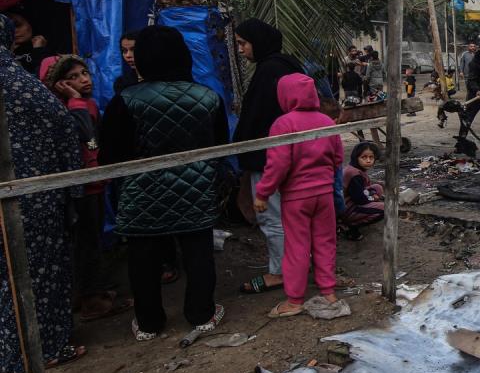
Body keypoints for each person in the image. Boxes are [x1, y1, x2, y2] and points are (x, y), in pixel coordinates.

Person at [99, 25, 228, 341]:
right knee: (198, 253)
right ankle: (201, 314)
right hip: (196, 192)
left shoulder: (125, 101)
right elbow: (222, 146)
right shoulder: (208, 98)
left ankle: (148, 323)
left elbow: (111, 153)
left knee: (143, 258)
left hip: (142, 195)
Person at [0, 17, 83, 373]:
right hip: (28, 194)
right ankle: (40, 349)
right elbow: (62, 125)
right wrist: (73, 186)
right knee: (35, 273)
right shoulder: (16, 81)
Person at [252, 73, 343, 318]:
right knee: (325, 242)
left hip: (295, 197)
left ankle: (294, 300)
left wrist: (263, 193)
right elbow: (337, 158)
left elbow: (277, 165)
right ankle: (328, 293)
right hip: (323, 194)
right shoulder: (327, 121)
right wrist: (322, 177)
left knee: (297, 248)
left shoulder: (283, 124)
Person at [42, 55, 124, 320]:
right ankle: (92, 301)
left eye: (84, 73)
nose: (84, 79)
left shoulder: (87, 104)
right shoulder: (63, 110)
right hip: (80, 188)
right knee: (85, 243)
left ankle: (89, 292)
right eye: (73, 78)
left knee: (91, 239)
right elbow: (85, 135)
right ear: (57, 85)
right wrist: (76, 101)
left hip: (94, 183)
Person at [232, 18, 304, 295]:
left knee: (273, 218)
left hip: (270, 160)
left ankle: (280, 272)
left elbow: (258, 119)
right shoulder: (288, 65)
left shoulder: (269, 71)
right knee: (291, 216)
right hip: (291, 158)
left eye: (243, 43)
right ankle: (296, 263)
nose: (240, 49)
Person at [341, 141, 385, 229]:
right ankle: (349, 226)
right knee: (385, 208)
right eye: (364, 157)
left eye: (371, 157)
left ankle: (369, 208)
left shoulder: (355, 169)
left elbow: (362, 190)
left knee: (378, 187)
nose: (368, 161)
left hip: (353, 199)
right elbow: (360, 199)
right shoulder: (354, 174)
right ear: (356, 158)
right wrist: (372, 198)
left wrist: (372, 194)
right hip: (347, 208)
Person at [6, 8, 53, 75]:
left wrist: (39, 50)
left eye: (18, 25)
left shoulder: (44, 46)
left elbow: (47, 75)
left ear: (30, 23)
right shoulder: (4, 52)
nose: (14, 31)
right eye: (8, 27)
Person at [114, 30, 141, 94]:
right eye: (124, 51)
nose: (128, 55)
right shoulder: (122, 84)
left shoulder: (163, 82)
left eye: (133, 50)